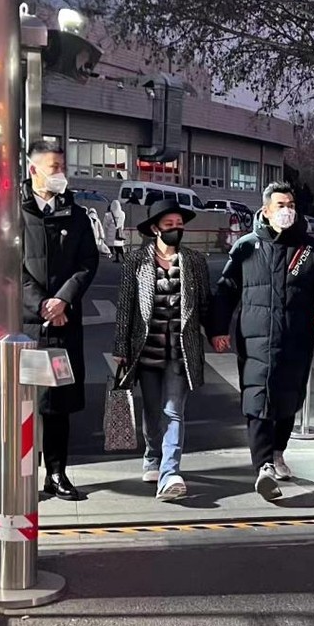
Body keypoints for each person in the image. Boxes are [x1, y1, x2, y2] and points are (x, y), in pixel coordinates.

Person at [211, 182, 314, 501]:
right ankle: (263, 467)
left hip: (296, 337)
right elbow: (226, 289)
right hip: (254, 338)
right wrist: (218, 329)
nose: (287, 211)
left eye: (291, 205)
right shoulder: (246, 247)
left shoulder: (310, 249)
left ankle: (278, 452)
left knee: (288, 398)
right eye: (280, 205)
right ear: (266, 210)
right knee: (257, 398)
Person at [112, 202, 213, 500]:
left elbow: (205, 304)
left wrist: (216, 333)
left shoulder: (194, 261)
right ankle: (152, 456)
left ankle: (170, 474)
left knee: (173, 411)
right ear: (155, 228)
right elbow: (126, 306)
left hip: (181, 350)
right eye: (169, 224)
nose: (176, 229)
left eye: (179, 224)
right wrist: (120, 346)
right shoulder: (136, 261)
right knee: (152, 410)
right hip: (146, 349)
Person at [22, 142, 100, 500]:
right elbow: (9, 267)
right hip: (26, 327)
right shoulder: (14, 213)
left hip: (63, 323)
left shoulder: (76, 215)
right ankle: (20, 477)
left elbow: (87, 263)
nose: (60, 174)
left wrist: (63, 300)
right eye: (54, 167)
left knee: (58, 404)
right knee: (24, 403)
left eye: (62, 167)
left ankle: (56, 473)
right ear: (33, 170)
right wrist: (41, 304)